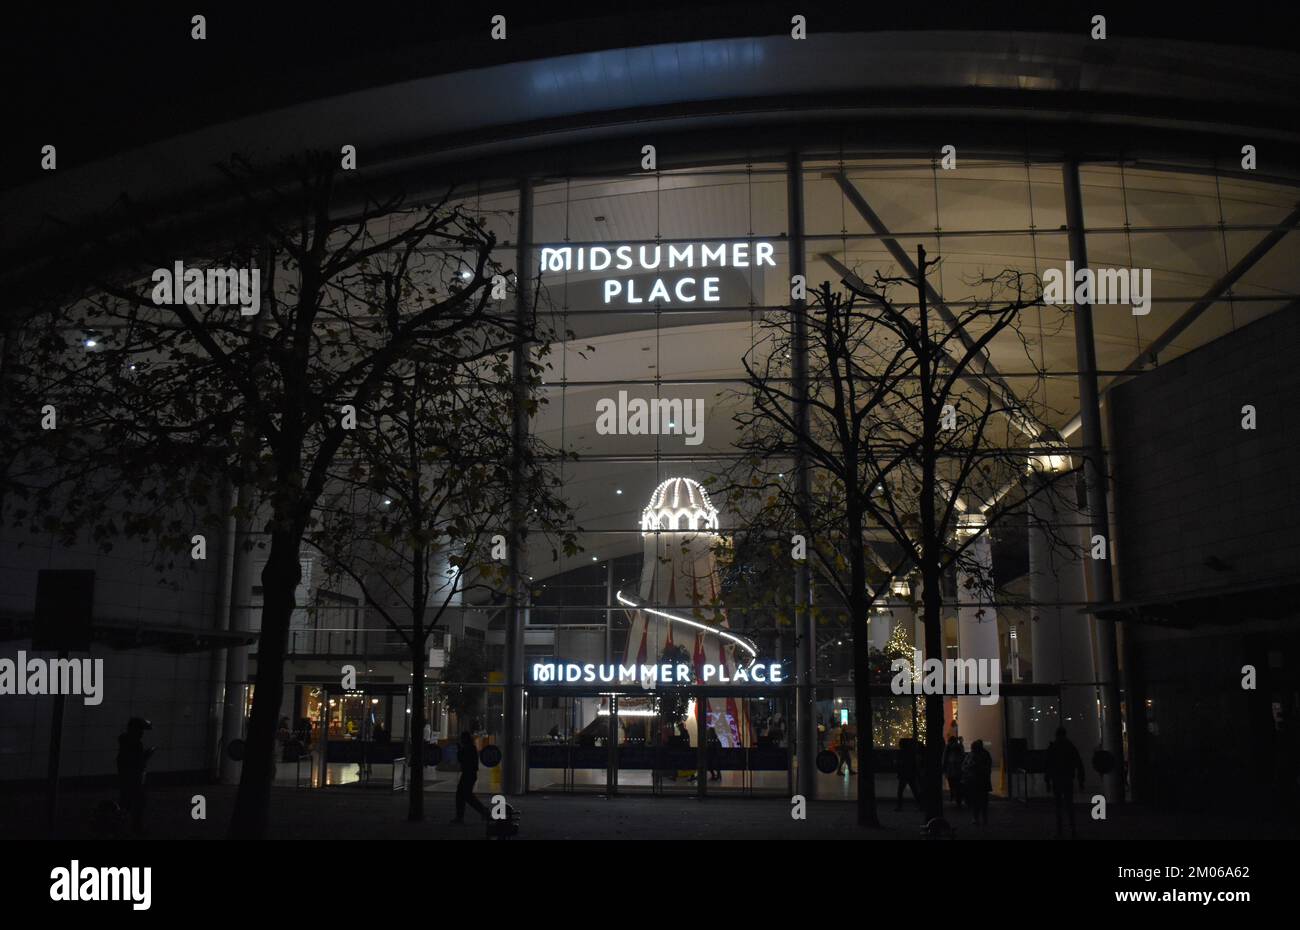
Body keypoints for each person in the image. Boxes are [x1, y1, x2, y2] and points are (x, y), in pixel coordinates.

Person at [1045, 726, 1086, 838]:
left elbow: (1048, 766)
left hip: (1057, 779)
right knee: (1069, 805)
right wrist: (1081, 780)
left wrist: (1047, 781)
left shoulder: (1053, 747)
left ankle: (1060, 831)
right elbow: (1079, 764)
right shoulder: (1070, 747)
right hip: (1067, 779)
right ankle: (1072, 830)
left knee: (1058, 806)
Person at [116, 717, 154, 835]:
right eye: (140, 730)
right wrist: (147, 755)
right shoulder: (135, 744)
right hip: (133, 778)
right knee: (137, 804)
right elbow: (137, 761)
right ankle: (134, 828)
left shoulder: (126, 742)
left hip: (127, 778)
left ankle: (122, 827)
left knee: (127, 804)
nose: (142, 733)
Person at [451, 731, 489, 823]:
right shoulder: (472, 748)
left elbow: (461, 759)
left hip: (468, 774)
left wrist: (460, 750)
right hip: (470, 774)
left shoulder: (468, 748)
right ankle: (483, 811)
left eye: (462, 738)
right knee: (465, 795)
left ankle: (483, 811)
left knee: (465, 795)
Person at [963, 739, 993, 826]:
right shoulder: (983, 754)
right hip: (979, 781)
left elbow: (964, 766)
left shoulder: (974, 755)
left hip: (977, 781)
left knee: (977, 801)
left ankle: (978, 818)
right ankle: (982, 818)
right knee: (981, 801)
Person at [894, 738, 920, 810]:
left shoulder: (901, 753)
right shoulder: (911, 752)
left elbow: (899, 763)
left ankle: (899, 806)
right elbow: (914, 764)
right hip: (910, 774)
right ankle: (920, 805)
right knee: (914, 790)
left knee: (900, 791)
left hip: (903, 774)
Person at [943, 735, 966, 808]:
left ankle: (953, 795)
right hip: (958, 769)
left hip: (950, 769)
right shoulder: (959, 746)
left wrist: (943, 767)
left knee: (952, 783)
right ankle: (958, 799)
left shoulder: (948, 747)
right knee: (958, 784)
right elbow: (963, 755)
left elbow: (944, 757)